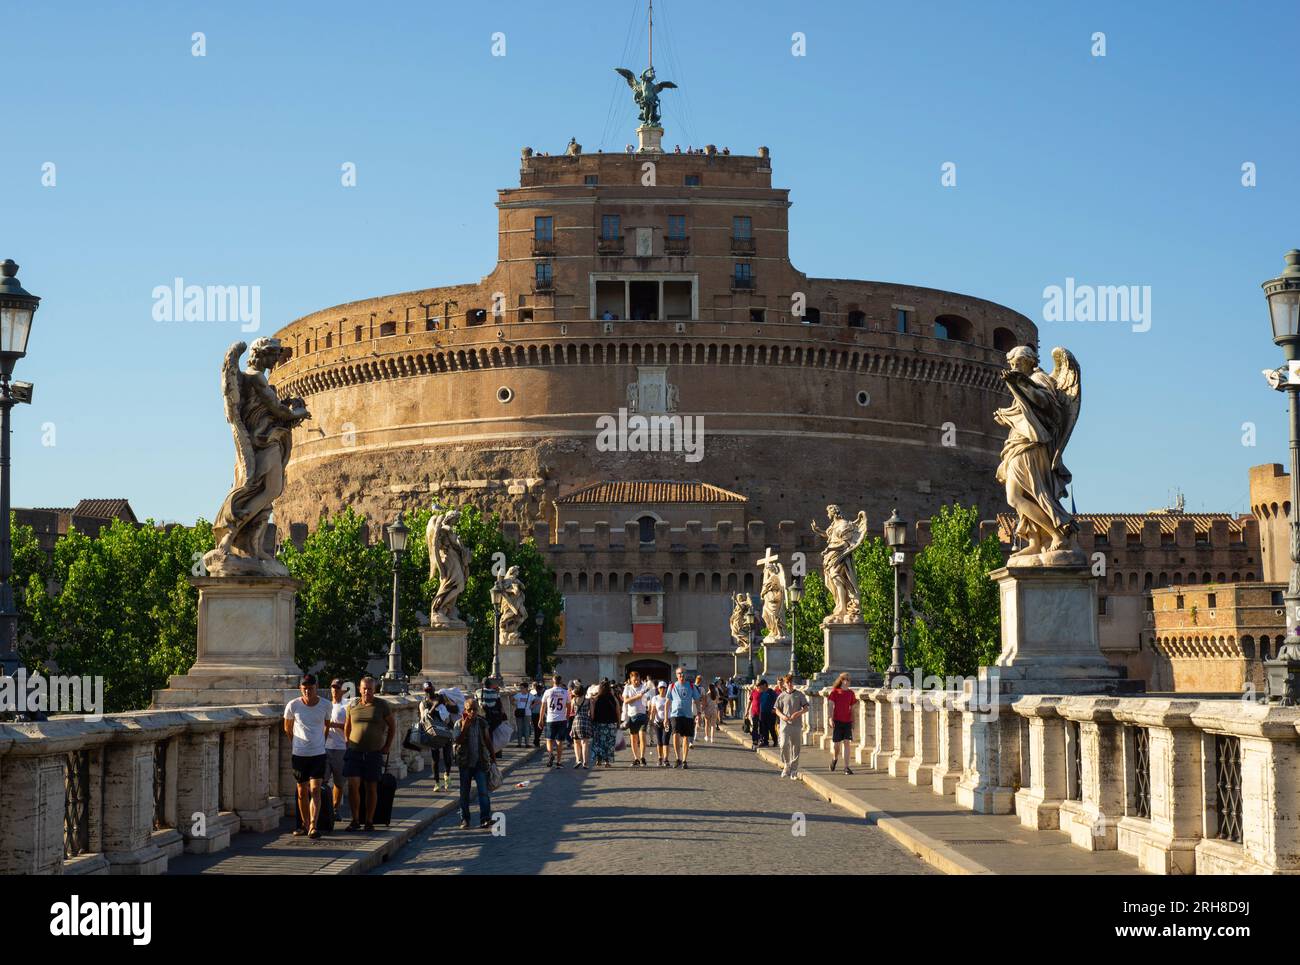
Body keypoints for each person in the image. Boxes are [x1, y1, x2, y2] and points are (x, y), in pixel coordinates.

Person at [343, 675, 396, 832]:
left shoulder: (382, 705)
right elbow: (347, 726)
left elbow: (392, 726)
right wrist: (348, 742)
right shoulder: (352, 705)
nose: (367, 691)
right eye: (364, 688)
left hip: (373, 753)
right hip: (354, 752)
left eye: (370, 689)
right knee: (353, 786)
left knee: (371, 787)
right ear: (359, 689)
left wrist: (387, 745)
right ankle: (355, 819)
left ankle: (369, 820)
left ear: (375, 690)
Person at [283, 674, 330, 839]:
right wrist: (296, 743)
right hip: (300, 754)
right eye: (304, 689)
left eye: (310, 689)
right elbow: (287, 728)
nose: (307, 692)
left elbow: (326, 726)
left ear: (316, 688)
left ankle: (313, 826)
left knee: (315, 789)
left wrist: (320, 743)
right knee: (302, 791)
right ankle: (304, 823)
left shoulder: (325, 705)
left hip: (318, 753)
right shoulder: (293, 705)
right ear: (300, 689)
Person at [453, 695, 495, 830]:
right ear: (464, 710)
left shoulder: (482, 723)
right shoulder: (458, 723)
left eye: (475, 709)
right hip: (465, 763)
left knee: (483, 792)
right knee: (464, 793)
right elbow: (457, 741)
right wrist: (465, 727)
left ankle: (485, 818)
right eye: (470, 710)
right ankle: (465, 819)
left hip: (480, 762)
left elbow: (488, 740)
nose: (472, 712)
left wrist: (493, 756)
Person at [774, 674, 809, 779]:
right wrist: (782, 716)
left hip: (796, 724)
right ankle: (786, 764)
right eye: (787, 682)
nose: (789, 684)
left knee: (796, 747)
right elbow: (776, 709)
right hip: (784, 724)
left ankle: (794, 769)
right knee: (783, 745)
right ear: (784, 684)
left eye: (791, 682)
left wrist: (798, 713)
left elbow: (806, 708)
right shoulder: (781, 696)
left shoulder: (799, 695)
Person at [666, 667, 701, 768]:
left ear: (686, 674)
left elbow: (697, 700)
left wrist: (699, 713)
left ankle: (685, 760)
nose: (681, 675)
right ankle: (678, 758)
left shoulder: (691, 686)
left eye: (683, 673)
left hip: (688, 715)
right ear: (676, 675)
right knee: (675, 735)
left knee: (686, 737)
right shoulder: (672, 686)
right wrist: (665, 718)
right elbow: (667, 702)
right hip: (675, 714)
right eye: (679, 673)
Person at [325, 678, 350, 821]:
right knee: (323, 780)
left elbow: (348, 725)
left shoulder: (346, 706)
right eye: (333, 687)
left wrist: (333, 725)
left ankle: (336, 809)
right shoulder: (326, 705)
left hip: (341, 747)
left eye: (337, 688)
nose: (334, 690)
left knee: (339, 782)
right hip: (326, 746)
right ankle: (325, 809)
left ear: (342, 690)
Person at [420, 683, 452, 790]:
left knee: (447, 756)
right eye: (426, 690)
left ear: (433, 689)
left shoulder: (441, 698)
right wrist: (435, 706)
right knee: (435, 758)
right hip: (434, 733)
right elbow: (424, 719)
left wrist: (442, 704)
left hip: (446, 730)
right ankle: (437, 782)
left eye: (430, 690)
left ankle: (447, 775)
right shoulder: (423, 703)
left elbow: (452, 710)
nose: (428, 692)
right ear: (424, 691)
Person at [826, 672, 857, 775]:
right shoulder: (835, 692)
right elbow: (830, 706)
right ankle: (834, 759)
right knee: (836, 745)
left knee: (847, 743)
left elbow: (853, 709)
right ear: (841, 680)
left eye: (849, 680)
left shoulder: (851, 693)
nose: (848, 682)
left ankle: (846, 767)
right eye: (846, 679)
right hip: (837, 721)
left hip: (847, 721)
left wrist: (853, 721)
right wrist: (830, 718)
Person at [621, 670, 652, 766]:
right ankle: (636, 758)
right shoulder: (628, 688)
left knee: (642, 736)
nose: (636, 682)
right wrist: (637, 697)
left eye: (637, 679)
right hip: (632, 716)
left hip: (642, 715)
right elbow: (626, 700)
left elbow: (648, 699)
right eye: (634, 680)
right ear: (630, 679)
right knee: (633, 738)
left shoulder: (644, 687)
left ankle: (642, 757)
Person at [540, 673, 569, 768]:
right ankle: (558, 762)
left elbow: (543, 707)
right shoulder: (565, 692)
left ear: (553, 681)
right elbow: (568, 707)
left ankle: (550, 754)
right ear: (561, 682)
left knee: (549, 739)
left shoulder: (548, 692)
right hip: (562, 718)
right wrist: (567, 717)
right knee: (560, 742)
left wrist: (540, 719)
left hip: (550, 718)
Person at [476, 676, 507, 760]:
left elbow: (475, 703)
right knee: (492, 734)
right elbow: (499, 704)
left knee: (483, 735)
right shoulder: (495, 692)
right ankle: (494, 752)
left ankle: (485, 752)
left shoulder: (478, 692)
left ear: (482, 684)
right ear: (490, 684)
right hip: (494, 717)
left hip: (483, 716)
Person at [591, 679, 620, 767]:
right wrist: (618, 722)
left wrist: (592, 720)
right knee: (609, 743)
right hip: (611, 723)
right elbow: (618, 711)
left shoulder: (596, 698)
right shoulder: (613, 698)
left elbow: (592, 712)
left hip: (598, 723)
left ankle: (599, 760)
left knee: (599, 742)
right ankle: (607, 761)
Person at [568, 680, 592, 768]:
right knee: (585, 742)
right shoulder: (588, 700)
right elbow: (592, 713)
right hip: (585, 721)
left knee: (576, 742)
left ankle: (578, 760)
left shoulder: (573, 700)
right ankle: (585, 762)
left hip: (576, 721)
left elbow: (571, 712)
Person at [648, 681, 670, 767]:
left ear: (666, 688)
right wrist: (651, 719)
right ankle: (660, 758)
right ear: (658, 688)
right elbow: (653, 710)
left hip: (667, 722)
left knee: (665, 740)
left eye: (664, 688)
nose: (662, 689)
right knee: (659, 741)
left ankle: (666, 759)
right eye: (661, 688)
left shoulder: (669, 698)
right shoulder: (655, 698)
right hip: (657, 722)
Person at [757, 679, 779, 748]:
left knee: (771, 728)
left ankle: (775, 741)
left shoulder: (771, 692)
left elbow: (777, 701)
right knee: (764, 728)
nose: (760, 687)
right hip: (763, 713)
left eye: (760, 686)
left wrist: (774, 709)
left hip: (771, 713)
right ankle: (765, 742)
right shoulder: (762, 693)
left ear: (764, 685)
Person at [512, 682, 532, 748]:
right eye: (520, 688)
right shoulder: (518, 695)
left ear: (526, 688)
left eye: (522, 688)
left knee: (526, 728)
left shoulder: (530, 695)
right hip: (519, 712)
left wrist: (531, 706)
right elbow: (512, 700)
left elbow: (537, 701)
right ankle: (519, 743)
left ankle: (527, 743)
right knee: (519, 728)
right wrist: (516, 705)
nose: (521, 689)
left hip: (527, 713)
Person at [749, 680, 765, 748]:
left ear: (761, 686)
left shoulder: (764, 693)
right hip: (754, 712)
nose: (758, 687)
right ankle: (755, 741)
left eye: (759, 685)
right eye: (757, 685)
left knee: (761, 727)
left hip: (762, 712)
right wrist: (747, 711)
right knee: (755, 726)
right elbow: (750, 701)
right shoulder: (753, 692)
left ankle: (761, 739)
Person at [529, 682, 544, 748]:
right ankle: (536, 741)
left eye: (540, 690)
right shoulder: (533, 697)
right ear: (536, 690)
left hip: (542, 714)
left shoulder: (544, 697)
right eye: (538, 690)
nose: (539, 691)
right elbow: (530, 707)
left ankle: (536, 740)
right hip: (534, 714)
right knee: (536, 728)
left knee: (541, 728)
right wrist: (535, 703)